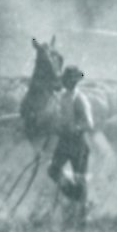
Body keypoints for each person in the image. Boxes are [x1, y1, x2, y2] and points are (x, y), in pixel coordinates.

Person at [46, 65, 97, 220]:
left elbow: (89, 124)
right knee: (53, 171)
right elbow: (59, 118)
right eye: (66, 79)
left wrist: (74, 128)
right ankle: (74, 195)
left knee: (80, 179)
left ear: (76, 81)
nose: (68, 82)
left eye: (71, 80)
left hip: (78, 144)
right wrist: (56, 127)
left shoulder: (80, 99)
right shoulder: (62, 97)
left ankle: (81, 218)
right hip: (64, 142)